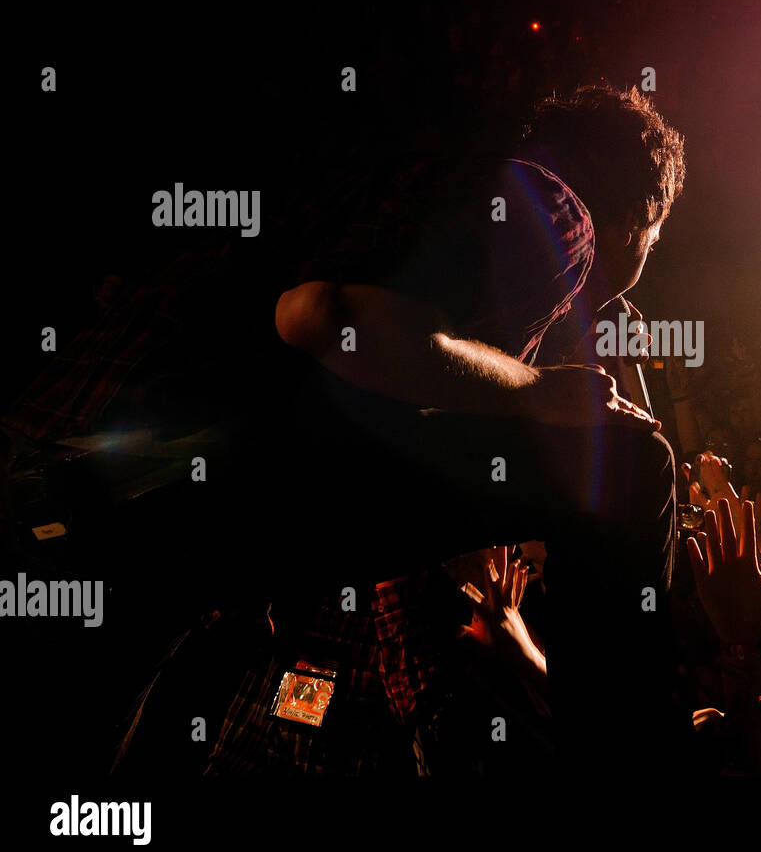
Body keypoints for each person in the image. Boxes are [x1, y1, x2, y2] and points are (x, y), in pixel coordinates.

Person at [247, 84, 689, 772]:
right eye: (658, 241)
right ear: (637, 215)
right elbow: (321, 317)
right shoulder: (559, 213)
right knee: (635, 463)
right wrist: (540, 392)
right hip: (284, 497)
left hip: (235, 507)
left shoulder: (439, 193)